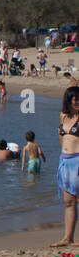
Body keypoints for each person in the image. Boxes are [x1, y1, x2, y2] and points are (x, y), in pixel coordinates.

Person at [53, 86, 79, 247]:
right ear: (67, 101)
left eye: (78, 98)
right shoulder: (62, 116)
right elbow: (61, 136)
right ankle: (67, 237)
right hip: (65, 161)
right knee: (69, 202)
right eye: (73, 99)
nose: (76, 101)